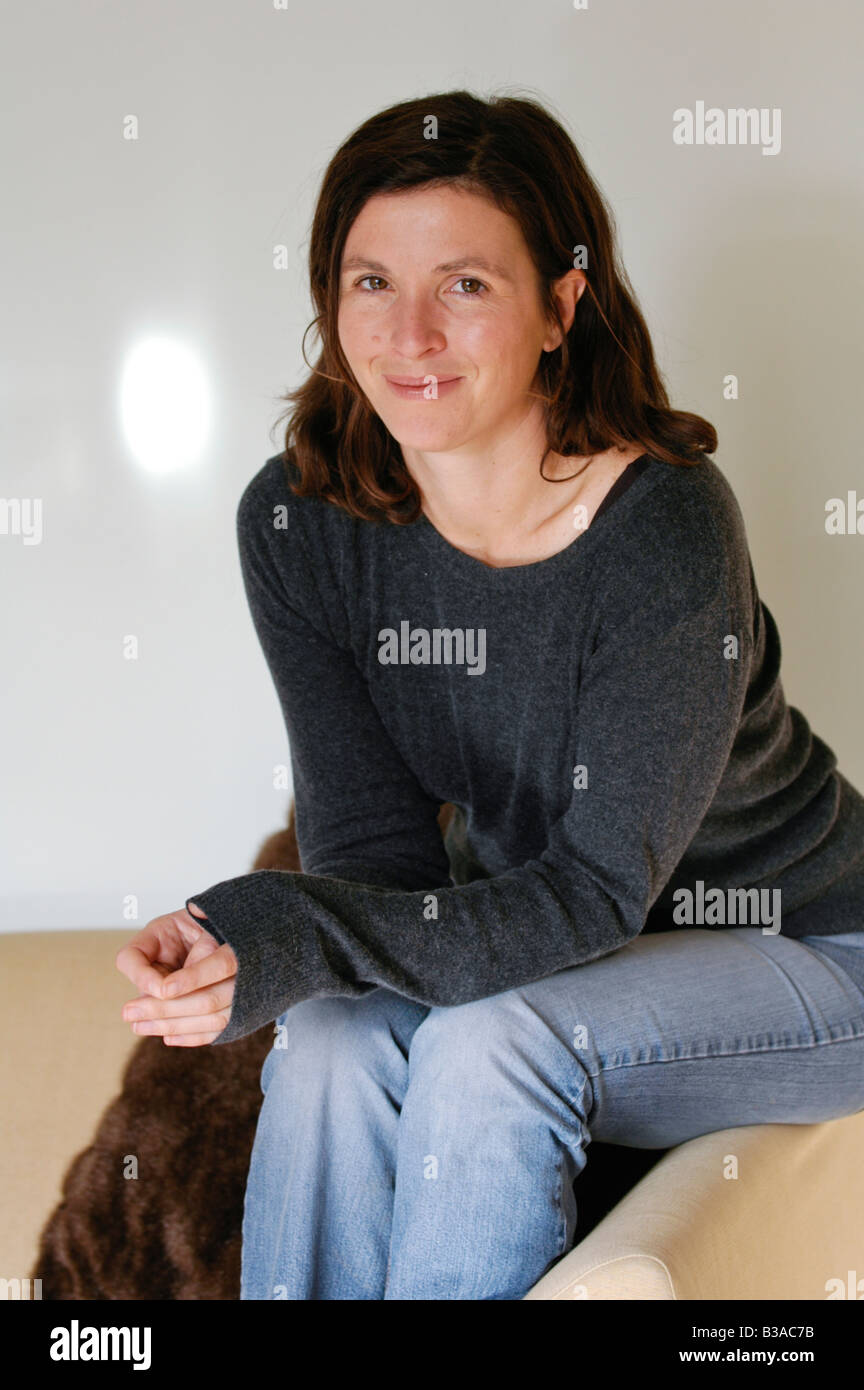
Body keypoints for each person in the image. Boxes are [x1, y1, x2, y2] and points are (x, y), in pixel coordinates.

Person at [116, 90, 864, 1300]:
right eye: (370, 284)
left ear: (562, 305)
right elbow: (377, 866)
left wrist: (287, 921)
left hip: (811, 949)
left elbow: (596, 888)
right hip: (576, 958)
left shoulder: (663, 524)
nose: (409, 335)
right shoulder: (304, 522)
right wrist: (264, 942)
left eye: (464, 285)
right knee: (328, 1037)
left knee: (491, 1042)